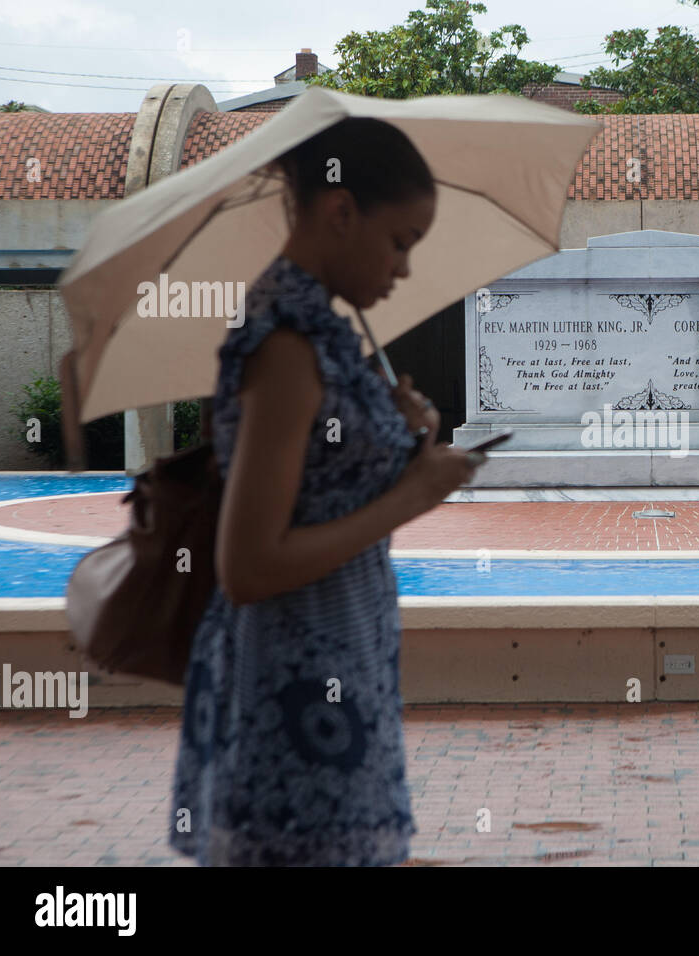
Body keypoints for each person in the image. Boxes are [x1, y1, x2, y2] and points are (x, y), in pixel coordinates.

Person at [170, 118, 478, 866]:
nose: (404, 269)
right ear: (341, 213)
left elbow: (321, 482)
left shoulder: (322, 331)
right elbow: (247, 566)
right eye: (401, 241)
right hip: (297, 687)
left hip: (341, 662)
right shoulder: (286, 344)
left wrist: (404, 434)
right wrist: (413, 497)